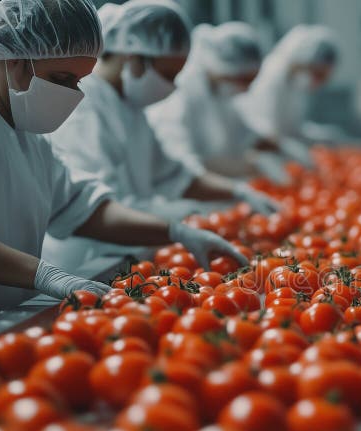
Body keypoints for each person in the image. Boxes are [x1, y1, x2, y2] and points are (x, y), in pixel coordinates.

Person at [0, 0, 248, 316]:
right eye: (60, 79)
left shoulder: (29, 132)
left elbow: (84, 209)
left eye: (78, 81)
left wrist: (174, 232)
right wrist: (43, 274)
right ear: (13, 59)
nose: (74, 94)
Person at [44, 0, 278, 271]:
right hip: (85, 259)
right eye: (167, 74)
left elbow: (173, 175)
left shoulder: (131, 108)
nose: (172, 86)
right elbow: (93, 208)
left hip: (131, 250)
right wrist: (176, 224)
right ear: (133, 57)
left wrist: (237, 191)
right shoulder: (84, 108)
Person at [147, 22, 289, 185]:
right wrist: (233, 186)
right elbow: (179, 161)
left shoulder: (221, 95)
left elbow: (245, 133)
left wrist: (283, 148)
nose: (246, 88)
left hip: (218, 190)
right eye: (243, 80)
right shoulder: (182, 93)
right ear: (222, 67)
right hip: (190, 193)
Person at [234, 24, 342, 167]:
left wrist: (322, 136)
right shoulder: (270, 78)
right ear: (305, 60)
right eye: (317, 74)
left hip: (281, 161)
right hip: (260, 161)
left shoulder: (295, 84)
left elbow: (293, 129)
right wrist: (287, 148)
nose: (317, 82)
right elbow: (263, 132)